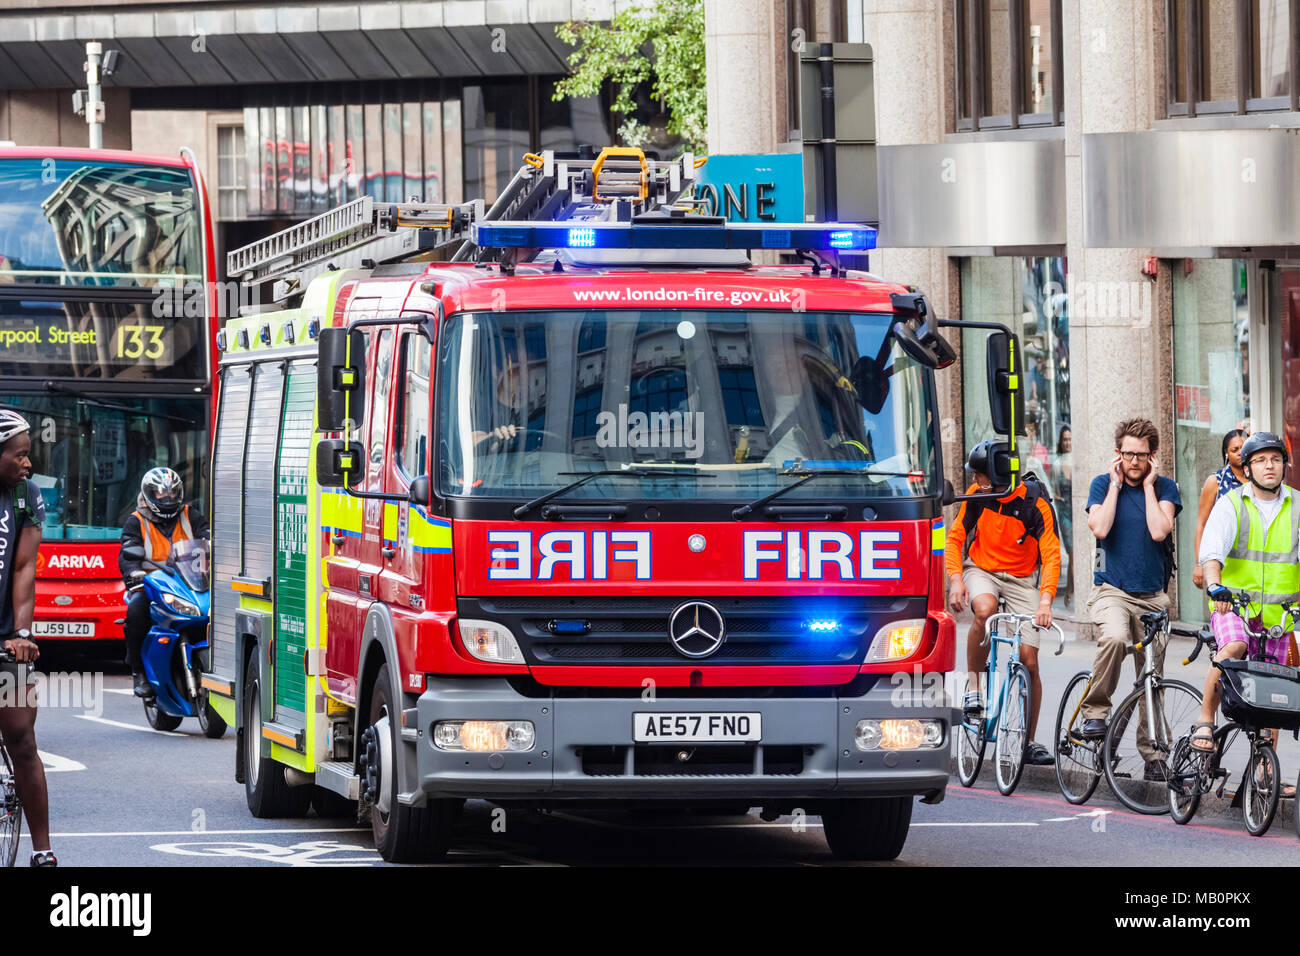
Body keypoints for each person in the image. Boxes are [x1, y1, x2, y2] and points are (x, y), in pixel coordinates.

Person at [1191, 431, 1297, 797]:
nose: (1270, 466)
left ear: (1285, 464)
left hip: (1280, 614)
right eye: (1261, 461)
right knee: (1233, 647)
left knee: (1277, 688)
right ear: (1247, 467)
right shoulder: (1232, 504)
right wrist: (1215, 585)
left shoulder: (1297, 506)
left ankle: (1264, 771)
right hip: (1232, 604)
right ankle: (1205, 721)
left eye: (1276, 459)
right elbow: (1212, 552)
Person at [946, 440, 1061, 766]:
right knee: (984, 610)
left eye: (980, 476)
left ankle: (1029, 742)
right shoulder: (978, 497)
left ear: (996, 477)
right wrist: (956, 578)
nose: (975, 480)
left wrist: (1046, 601)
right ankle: (974, 688)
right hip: (982, 570)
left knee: (1030, 661)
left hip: (1023, 580)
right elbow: (955, 538)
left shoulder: (1035, 503)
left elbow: (1051, 555)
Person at [1081, 418, 1181, 779]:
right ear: (1117, 454)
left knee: (1151, 678)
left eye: (1141, 455)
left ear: (1153, 457)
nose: (1133, 462)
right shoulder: (1100, 485)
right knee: (1115, 638)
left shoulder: (1167, 488)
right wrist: (1114, 487)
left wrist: (1151, 488)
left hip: (1154, 598)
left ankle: (1153, 755)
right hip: (1113, 591)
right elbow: (1101, 528)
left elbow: (1159, 530)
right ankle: (1095, 714)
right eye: (1127, 454)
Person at [0, 410, 56, 865]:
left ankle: (43, 852)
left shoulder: (26, 496)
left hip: (4, 635)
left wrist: (20, 633)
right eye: (20, 455)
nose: (28, 463)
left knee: (21, 735)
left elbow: (23, 569)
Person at [119, 467, 209, 699]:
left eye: (171, 493)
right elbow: (126, 554)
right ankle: (138, 671)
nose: (167, 498)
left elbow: (208, 540)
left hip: (190, 583)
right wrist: (133, 575)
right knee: (136, 610)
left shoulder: (192, 515)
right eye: (160, 494)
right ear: (149, 495)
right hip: (152, 585)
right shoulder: (135, 521)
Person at [1191, 428, 1247, 590]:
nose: (1240, 453)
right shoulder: (1216, 481)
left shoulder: (1259, 480)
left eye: (1243, 447)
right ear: (1226, 454)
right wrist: (1199, 563)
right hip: (1223, 560)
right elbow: (1202, 524)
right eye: (1234, 450)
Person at [1053, 425, 1074, 606]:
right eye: (1065, 439)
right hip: (1065, 514)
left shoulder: (1078, 461)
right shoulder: (1057, 463)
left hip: (1079, 513)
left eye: (1070, 439)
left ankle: (1071, 592)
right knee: (1072, 554)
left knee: (1077, 556)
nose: (1067, 443)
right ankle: (1070, 592)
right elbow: (1055, 490)